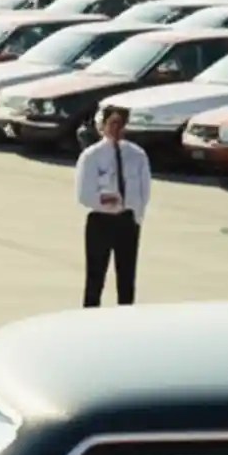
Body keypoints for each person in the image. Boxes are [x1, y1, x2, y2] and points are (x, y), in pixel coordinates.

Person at [75, 107, 151, 307]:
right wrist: (103, 200)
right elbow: (83, 194)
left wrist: (137, 216)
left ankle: (125, 315)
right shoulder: (91, 156)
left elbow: (144, 190)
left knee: (126, 275)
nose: (116, 129)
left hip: (127, 220)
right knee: (95, 275)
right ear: (103, 125)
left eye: (120, 124)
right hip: (101, 220)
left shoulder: (137, 155)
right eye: (112, 123)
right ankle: (90, 314)